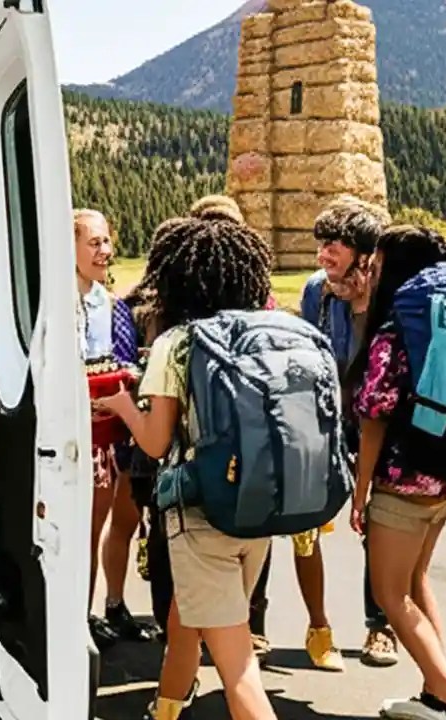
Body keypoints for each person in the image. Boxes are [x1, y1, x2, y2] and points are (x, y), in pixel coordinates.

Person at [96, 216, 278, 720]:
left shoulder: (178, 342)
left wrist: (122, 406)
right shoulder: (265, 331)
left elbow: (155, 443)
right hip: (259, 509)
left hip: (201, 515)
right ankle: (167, 709)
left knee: (236, 666)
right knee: (187, 618)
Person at [347, 225, 446, 720]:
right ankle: (434, 690)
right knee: (415, 578)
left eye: (376, 263)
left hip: (403, 480)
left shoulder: (395, 332)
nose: (371, 271)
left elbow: (373, 416)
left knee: (390, 595)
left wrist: (360, 491)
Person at [295, 195, 398, 669]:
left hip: (380, 426)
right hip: (327, 424)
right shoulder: (318, 291)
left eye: (334, 245)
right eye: (322, 245)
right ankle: (302, 624)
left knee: (377, 528)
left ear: (364, 252)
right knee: (302, 519)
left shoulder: (392, 296)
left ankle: (381, 627)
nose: (323, 256)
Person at [74, 208, 157, 649]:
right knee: (81, 530)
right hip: (78, 436)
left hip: (110, 434)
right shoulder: (57, 303)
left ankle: (98, 609)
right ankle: (75, 615)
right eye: (93, 243)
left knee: (107, 524)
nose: (104, 251)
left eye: (107, 241)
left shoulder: (110, 305)